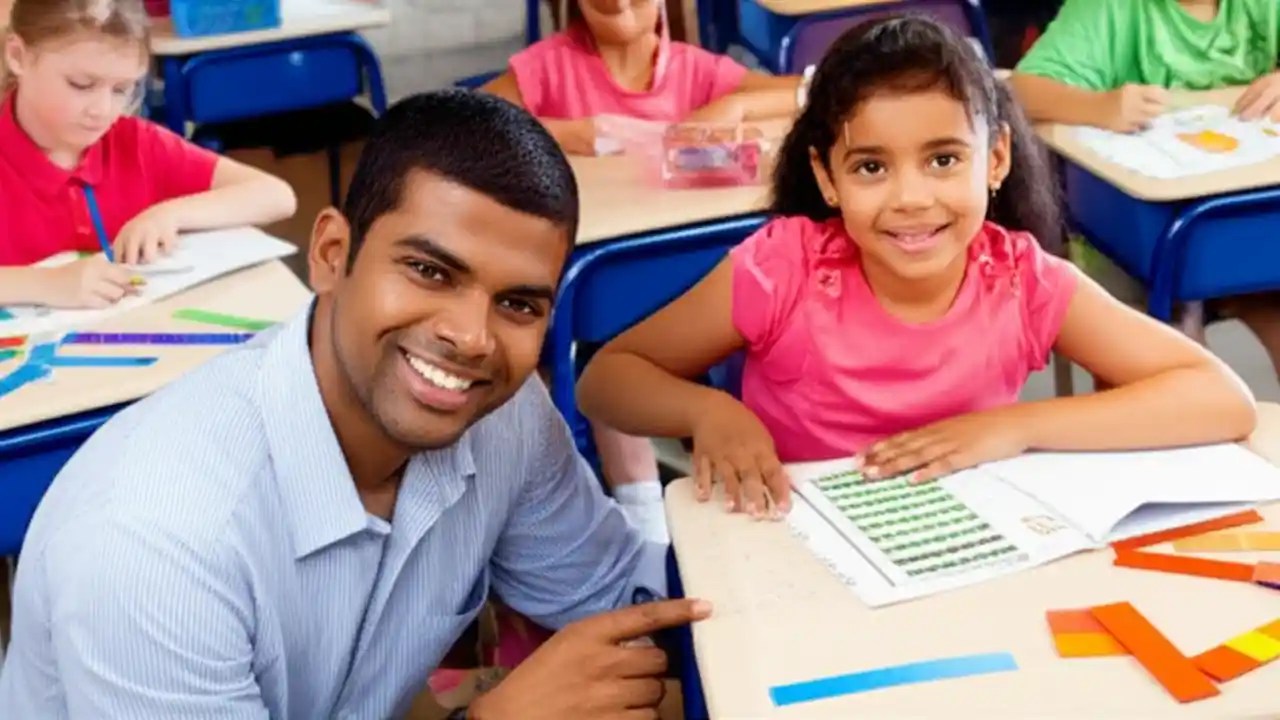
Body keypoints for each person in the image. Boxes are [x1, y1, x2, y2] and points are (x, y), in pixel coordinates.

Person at [0, 89, 709, 720]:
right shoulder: (153, 547)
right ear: (332, 253)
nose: (471, 337)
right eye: (428, 270)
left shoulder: (507, 417)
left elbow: (619, 597)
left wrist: (758, 585)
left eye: (518, 304)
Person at [575, 15, 1257, 516]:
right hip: (792, 549)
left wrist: (1016, 427)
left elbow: (1221, 399)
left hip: (962, 544)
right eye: (871, 167)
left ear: (995, 160)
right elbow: (606, 379)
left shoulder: (1020, 280)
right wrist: (707, 411)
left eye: (943, 159)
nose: (911, 198)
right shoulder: (781, 269)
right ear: (828, 177)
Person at [1009, 0, 1280, 380]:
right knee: (1165, 366)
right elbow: (1019, 91)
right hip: (1133, 237)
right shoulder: (1109, 10)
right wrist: (1099, 106)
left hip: (1249, 230)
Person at [0, 0, 296, 309]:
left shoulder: (135, 143)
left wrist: (169, 214)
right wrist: (45, 284)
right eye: (81, 85)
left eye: (121, 90)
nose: (102, 110)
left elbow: (276, 196)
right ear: (18, 56)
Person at [483, 0, 801, 156]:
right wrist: (559, 134)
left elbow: (814, 92)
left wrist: (737, 107)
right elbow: (460, 124)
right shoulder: (545, 68)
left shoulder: (697, 70)